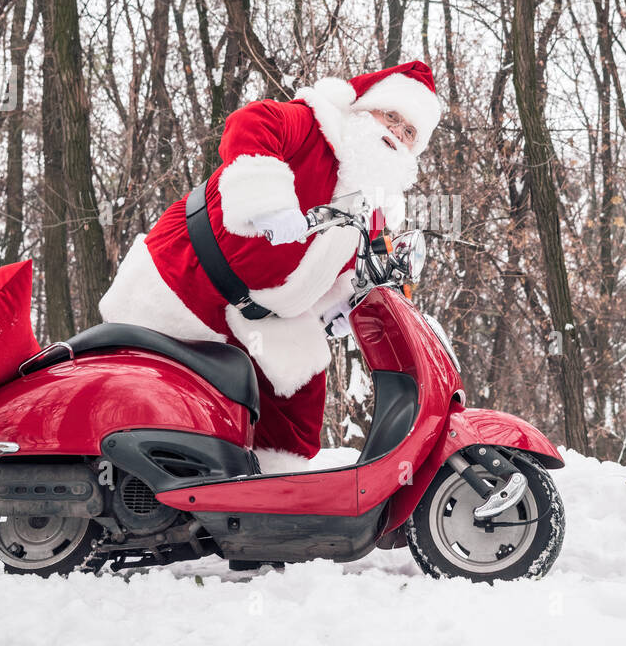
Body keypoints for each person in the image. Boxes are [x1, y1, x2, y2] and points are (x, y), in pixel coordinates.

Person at [98, 60, 441, 463]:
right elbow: (252, 122)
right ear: (362, 108)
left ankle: (274, 499)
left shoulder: (369, 206)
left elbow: (338, 270)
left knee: (300, 399)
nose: (395, 134)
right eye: (392, 116)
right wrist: (267, 201)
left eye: (409, 132)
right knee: (147, 400)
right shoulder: (314, 126)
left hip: (261, 317)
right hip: (188, 280)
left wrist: (341, 307)